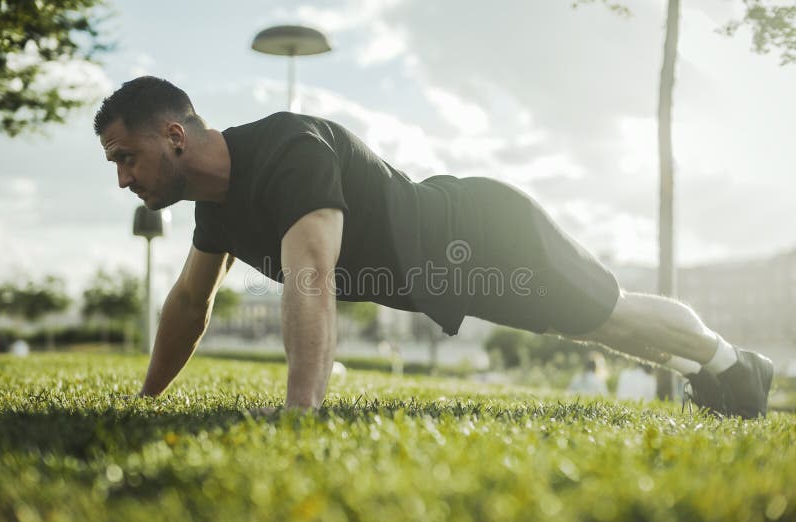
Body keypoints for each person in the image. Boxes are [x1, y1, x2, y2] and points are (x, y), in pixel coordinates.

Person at [94, 76, 774, 418]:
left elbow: (311, 278)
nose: (124, 179)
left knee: (611, 313)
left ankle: (735, 365)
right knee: (598, 324)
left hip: (482, 231)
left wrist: (300, 418)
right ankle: (718, 373)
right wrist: (146, 402)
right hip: (447, 274)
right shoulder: (216, 209)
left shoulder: (287, 149)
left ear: (175, 136)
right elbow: (189, 303)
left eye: (127, 157)